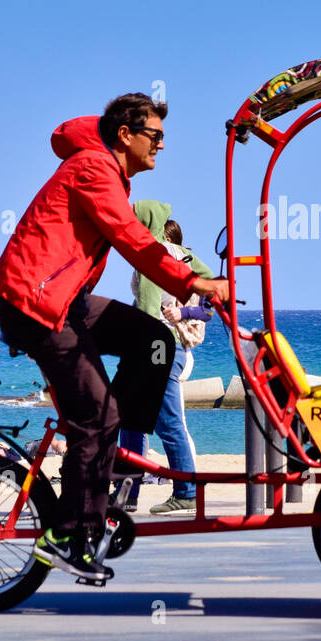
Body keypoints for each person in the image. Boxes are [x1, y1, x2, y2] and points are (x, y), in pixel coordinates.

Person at [0, 93, 228, 582]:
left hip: (64, 299)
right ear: (126, 135)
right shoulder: (95, 168)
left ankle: (113, 457)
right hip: (36, 304)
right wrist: (196, 281)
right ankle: (68, 533)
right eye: (155, 136)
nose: (161, 146)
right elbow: (130, 237)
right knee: (97, 415)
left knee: (154, 341)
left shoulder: (104, 169)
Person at [119, 205, 213, 514]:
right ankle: (126, 492)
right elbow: (210, 282)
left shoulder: (156, 253)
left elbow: (150, 307)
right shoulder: (171, 254)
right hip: (159, 347)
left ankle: (186, 491)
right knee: (132, 421)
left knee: (167, 421)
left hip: (160, 347)